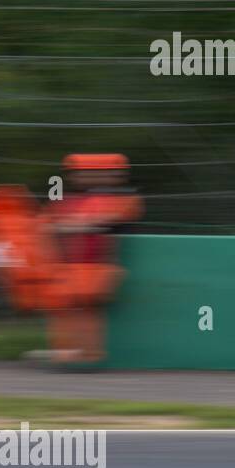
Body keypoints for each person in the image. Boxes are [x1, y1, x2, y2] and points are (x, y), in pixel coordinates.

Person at [45, 153, 142, 365]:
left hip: (97, 265)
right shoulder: (74, 200)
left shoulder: (122, 199)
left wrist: (69, 224)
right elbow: (54, 222)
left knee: (86, 308)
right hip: (76, 266)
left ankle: (85, 353)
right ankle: (74, 352)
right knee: (69, 307)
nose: (77, 178)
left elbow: (100, 221)